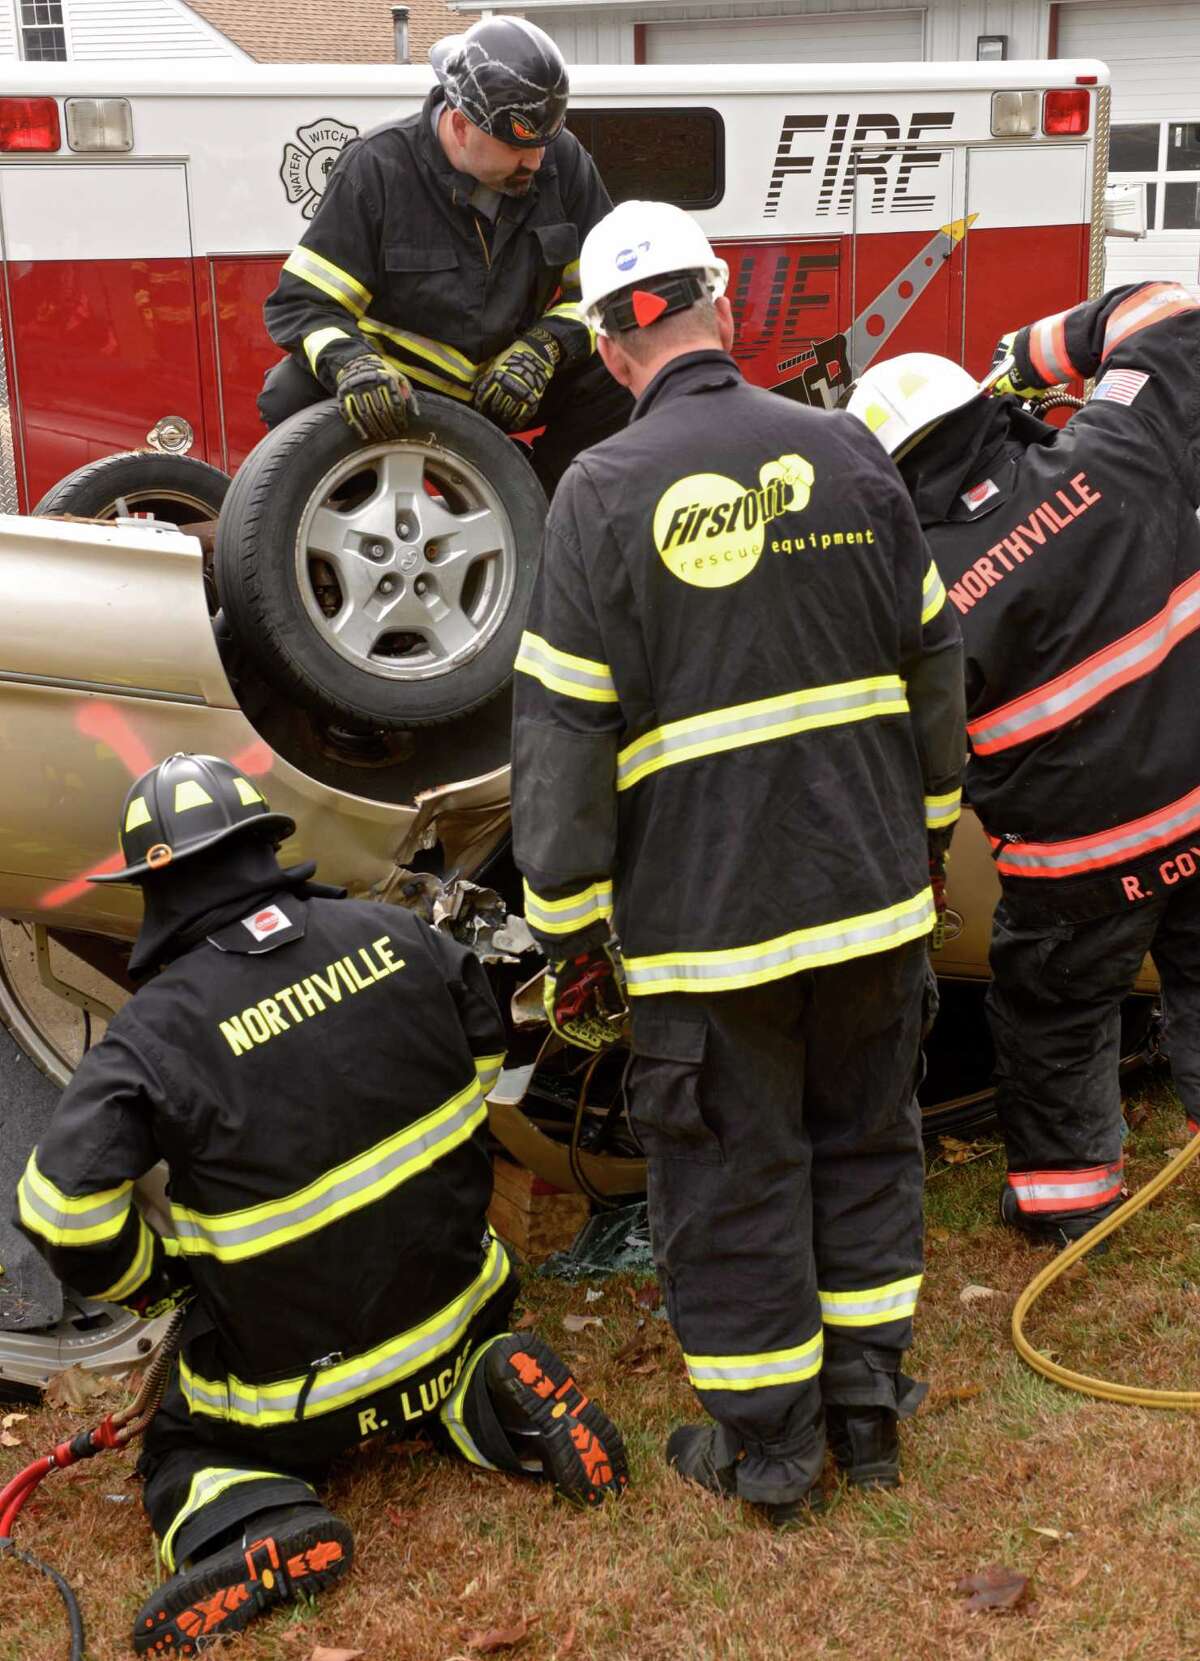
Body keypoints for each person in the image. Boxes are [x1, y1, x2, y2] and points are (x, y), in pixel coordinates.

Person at [510, 200, 965, 1521]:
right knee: (867, 1139)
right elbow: (935, 663)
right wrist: (929, 833)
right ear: (722, 305)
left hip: (710, 931)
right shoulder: (847, 449)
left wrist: (565, 924)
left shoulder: (600, 493)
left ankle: (771, 1449)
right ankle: (867, 1408)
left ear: (609, 348)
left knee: (733, 1168)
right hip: (873, 894)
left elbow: (562, 729)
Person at [15, 753, 627, 1653]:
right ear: (266, 845)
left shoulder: (156, 1032)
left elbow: (60, 1209)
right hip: (454, 1305)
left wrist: (157, 1281)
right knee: (444, 1359)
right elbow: (486, 1051)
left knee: (182, 1447)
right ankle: (483, 1392)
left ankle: (256, 1519)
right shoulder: (397, 934)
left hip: (294, 1393)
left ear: (154, 887)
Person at [847, 282, 1200, 1246]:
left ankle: (1069, 1202)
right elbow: (1168, 311)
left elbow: (911, 757)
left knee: (1054, 1014)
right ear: (989, 410)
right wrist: (1037, 347)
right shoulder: (1121, 444)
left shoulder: (919, 594)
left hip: (1080, 869)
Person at [259, 18, 631, 496]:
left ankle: (543, 503)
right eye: (517, 146)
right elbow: (303, 304)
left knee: (625, 362)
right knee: (288, 392)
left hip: (515, 382)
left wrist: (546, 347)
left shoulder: (563, 160)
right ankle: (365, 514)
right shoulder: (376, 168)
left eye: (543, 143)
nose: (537, 162)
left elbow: (608, 287)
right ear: (460, 124)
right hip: (402, 390)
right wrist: (353, 365)